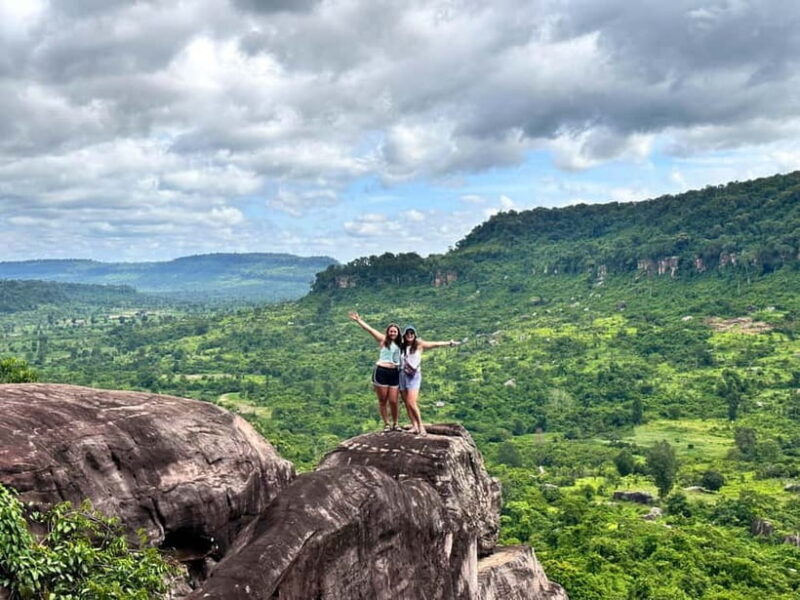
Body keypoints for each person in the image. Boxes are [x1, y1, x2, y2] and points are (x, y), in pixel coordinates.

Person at [399, 324, 460, 436]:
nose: (409, 335)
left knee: (412, 402)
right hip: (402, 375)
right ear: (404, 335)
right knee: (407, 403)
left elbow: (436, 344)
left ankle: (421, 426)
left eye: (411, 333)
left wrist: (449, 343)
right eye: (407, 333)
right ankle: (414, 426)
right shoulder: (402, 346)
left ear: (415, 335)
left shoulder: (419, 345)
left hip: (414, 375)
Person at [348, 312, 402, 432]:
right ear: (388, 332)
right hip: (381, 371)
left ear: (398, 333)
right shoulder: (383, 340)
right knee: (382, 400)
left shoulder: (401, 344)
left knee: (393, 400)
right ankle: (387, 424)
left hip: (395, 373)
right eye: (391, 331)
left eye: (395, 331)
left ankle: (396, 423)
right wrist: (358, 320)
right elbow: (369, 329)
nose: (393, 333)